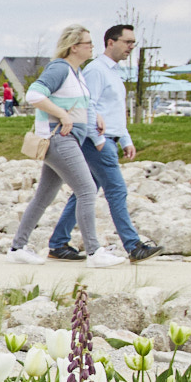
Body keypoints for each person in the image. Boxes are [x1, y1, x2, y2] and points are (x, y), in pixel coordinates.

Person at [9, 24, 121, 266]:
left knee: (44, 196)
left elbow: (81, 104)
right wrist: (62, 115)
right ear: (74, 47)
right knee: (87, 189)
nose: (92, 47)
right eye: (88, 43)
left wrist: (96, 117)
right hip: (60, 138)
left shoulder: (76, 72)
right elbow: (34, 94)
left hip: (66, 139)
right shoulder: (60, 68)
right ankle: (94, 253)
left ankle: (17, 247)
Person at [48, 23, 160, 263]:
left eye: (133, 43)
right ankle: (133, 246)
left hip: (110, 139)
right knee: (117, 190)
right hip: (99, 141)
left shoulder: (114, 72)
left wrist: (126, 138)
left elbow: (114, 110)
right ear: (111, 42)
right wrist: (98, 140)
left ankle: (58, 243)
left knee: (85, 191)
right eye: (127, 42)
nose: (131, 47)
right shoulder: (97, 70)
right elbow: (89, 106)